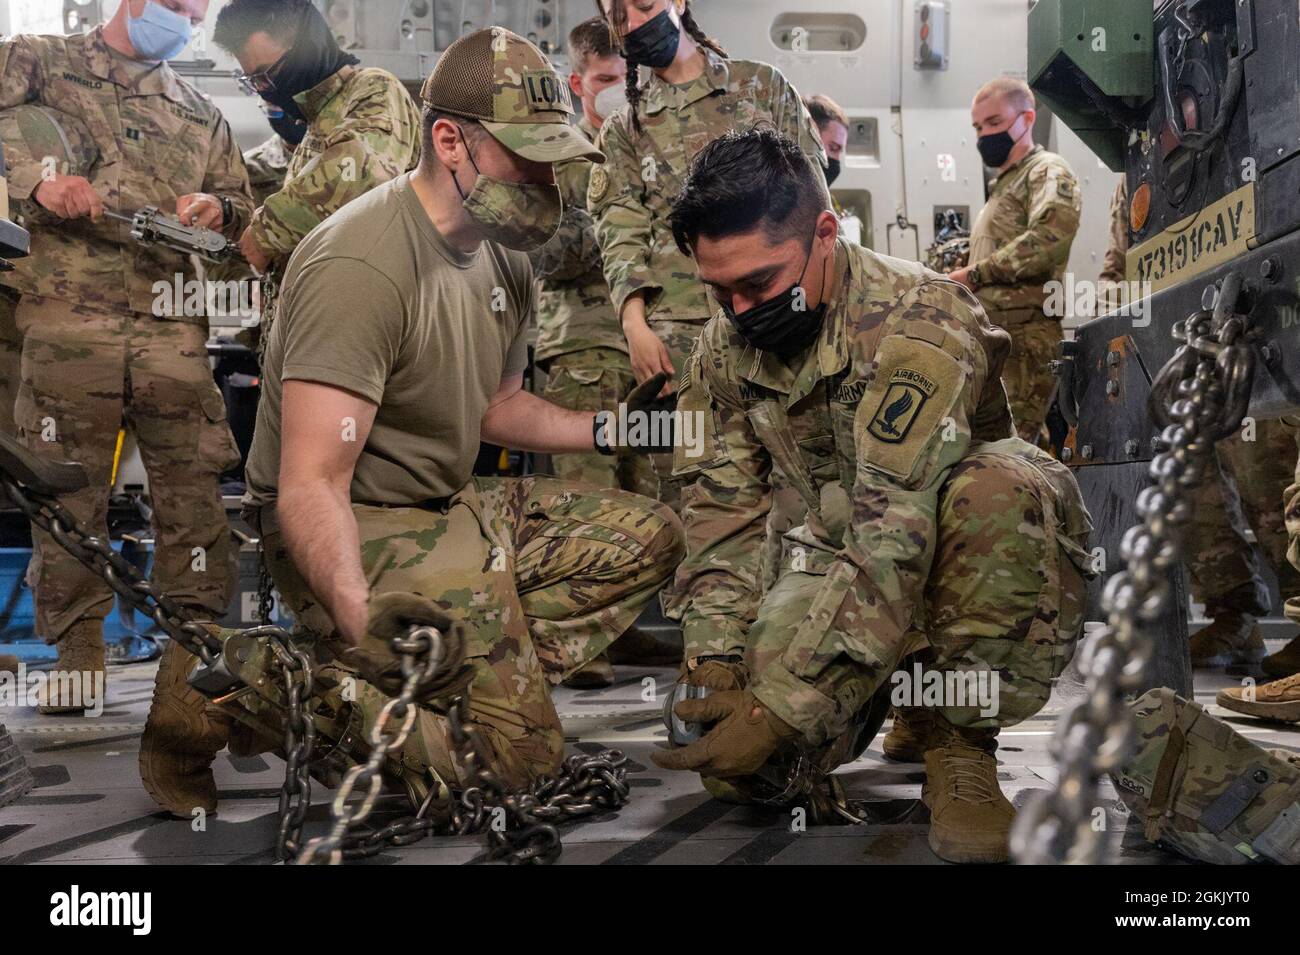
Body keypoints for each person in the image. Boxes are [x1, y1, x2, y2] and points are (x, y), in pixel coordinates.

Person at [156, 27, 680, 817]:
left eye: (554, 159)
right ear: (449, 141)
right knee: (518, 765)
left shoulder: (504, 252)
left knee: (651, 537)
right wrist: (365, 618)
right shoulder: (358, 265)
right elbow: (309, 484)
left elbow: (495, 408)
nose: (547, 180)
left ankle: (449, 670)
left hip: (448, 506)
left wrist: (615, 431)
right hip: (351, 517)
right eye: (526, 157)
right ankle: (257, 685)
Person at [656, 128, 1092, 864]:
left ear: (825, 234)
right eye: (717, 290)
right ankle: (897, 695)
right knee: (747, 772)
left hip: (952, 550)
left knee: (995, 488)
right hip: (833, 560)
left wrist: (784, 705)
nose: (736, 311)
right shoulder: (718, 354)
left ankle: (958, 741)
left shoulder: (921, 318)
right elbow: (719, 513)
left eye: (758, 285)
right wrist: (719, 663)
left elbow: (895, 528)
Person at [0, 0, 254, 715]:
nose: (185, 17)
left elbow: (238, 206)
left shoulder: (201, 112)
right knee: (68, 494)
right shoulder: (38, 61)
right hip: (66, 322)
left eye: (195, 10)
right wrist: (35, 178)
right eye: (174, 4)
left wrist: (217, 209)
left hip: (170, 325)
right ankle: (78, 655)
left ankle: (196, 657)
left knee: (193, 491)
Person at [589, 0, 828, 520]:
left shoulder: (761, 87)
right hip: (677, 339)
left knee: (802, 476)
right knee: (692, 487)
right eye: (617, 14)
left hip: (775, 316)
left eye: (643, 5)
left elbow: (814, 199)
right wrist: (635, 326)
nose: (632, 22)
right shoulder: (624, 127)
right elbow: (620, 231)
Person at [1101, 177, 1300, 676]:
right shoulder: (1137, 179)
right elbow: (1117, 265)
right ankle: (1235, 619)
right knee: (1195, 489)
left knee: (1267, 479)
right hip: (1189, 337)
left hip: (1255, 325)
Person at [529, 17, 666, 688]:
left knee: (642, 496)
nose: (619, 91)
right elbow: (545, 252)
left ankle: (618, 622)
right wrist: (619, 226)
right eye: (607, 80)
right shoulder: (561, 156)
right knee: (586, 494)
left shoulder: (641, 147)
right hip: (582, 345)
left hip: (644, 350)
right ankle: (570, 643)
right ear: (577, 82)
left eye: (627, 79)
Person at [211, 0, 421, 344]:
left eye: (268, 74)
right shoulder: (312, 126)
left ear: (305, 50)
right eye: (253, 80)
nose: (264, 89)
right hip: (315, 324)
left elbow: (359, 174)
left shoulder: (372, 89)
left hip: (366, 326)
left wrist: (266, 231)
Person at [950, 76, 1081, 446]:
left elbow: (1050, 237)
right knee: (993, 449)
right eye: (978, 127)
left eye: (994, 123)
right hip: (996, 338)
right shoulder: (1004, 186)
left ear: (1026, 119)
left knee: (1015, 449)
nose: (983, 135)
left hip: (1024, 338)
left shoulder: (1046, 171)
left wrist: (976, 273)